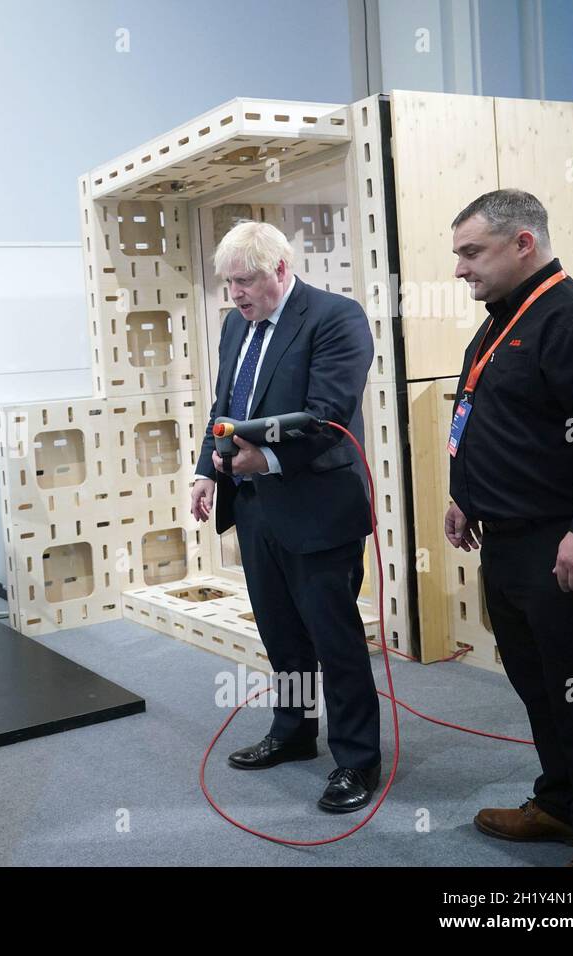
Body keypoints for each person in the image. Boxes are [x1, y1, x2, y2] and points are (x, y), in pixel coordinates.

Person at [445, 188, 573, 867]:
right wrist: (464, 494)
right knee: (543, 688)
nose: (460, 269)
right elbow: (483, 416)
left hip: (566, 545)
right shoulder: (499, 320)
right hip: (507, 542)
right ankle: (561, 803)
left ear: (523, 243)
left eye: (471, 253)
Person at [191, 221, 380, 812]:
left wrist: (266, 456)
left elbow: (328, 413)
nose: (235, 295)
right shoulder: (233, 326)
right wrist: (206, 467)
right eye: (228, 284)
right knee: (281, 636)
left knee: (334, 639)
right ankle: (295, 731)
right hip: (254, 508)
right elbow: (224, 407)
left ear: (279, 269)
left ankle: (356, 760)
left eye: (244, 281)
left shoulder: (335, 317)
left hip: (318, 506)